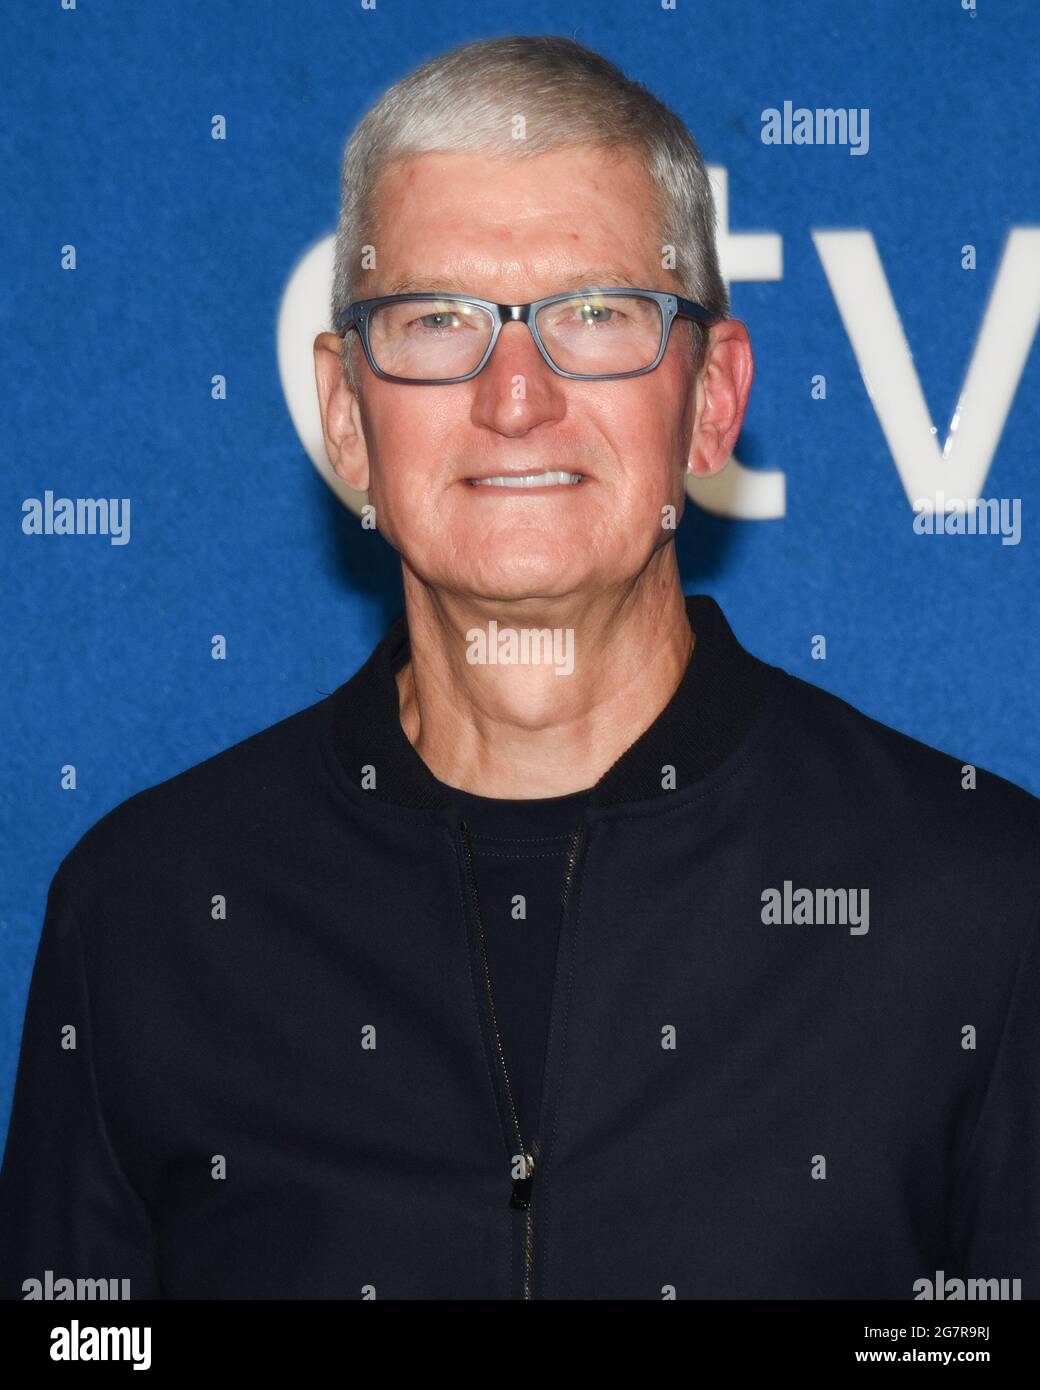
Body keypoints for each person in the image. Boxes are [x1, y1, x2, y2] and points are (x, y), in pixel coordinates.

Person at [2, 34, 1037, 1302]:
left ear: (710, 398)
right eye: (437, 320)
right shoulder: (145, 912)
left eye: (594, 315)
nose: (513, 397)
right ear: (344, 415)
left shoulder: (981, 903)